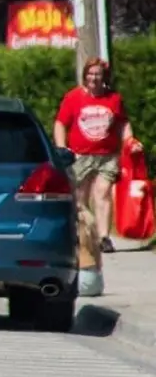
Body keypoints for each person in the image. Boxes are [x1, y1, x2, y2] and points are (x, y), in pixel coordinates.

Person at [54, 58, 140, 254]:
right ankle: (85, 234)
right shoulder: (73, 97)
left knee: (103, 194)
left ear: (104, 77)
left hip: (107, 156)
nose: (93, 78)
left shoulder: (114, 99)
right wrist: (62, 148)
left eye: (98, 74)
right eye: (90, 74)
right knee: (80, 199)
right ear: (85, 76)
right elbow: (60, 123)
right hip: (80, 156)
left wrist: (130, 142)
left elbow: (123, 123)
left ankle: (104, 238)